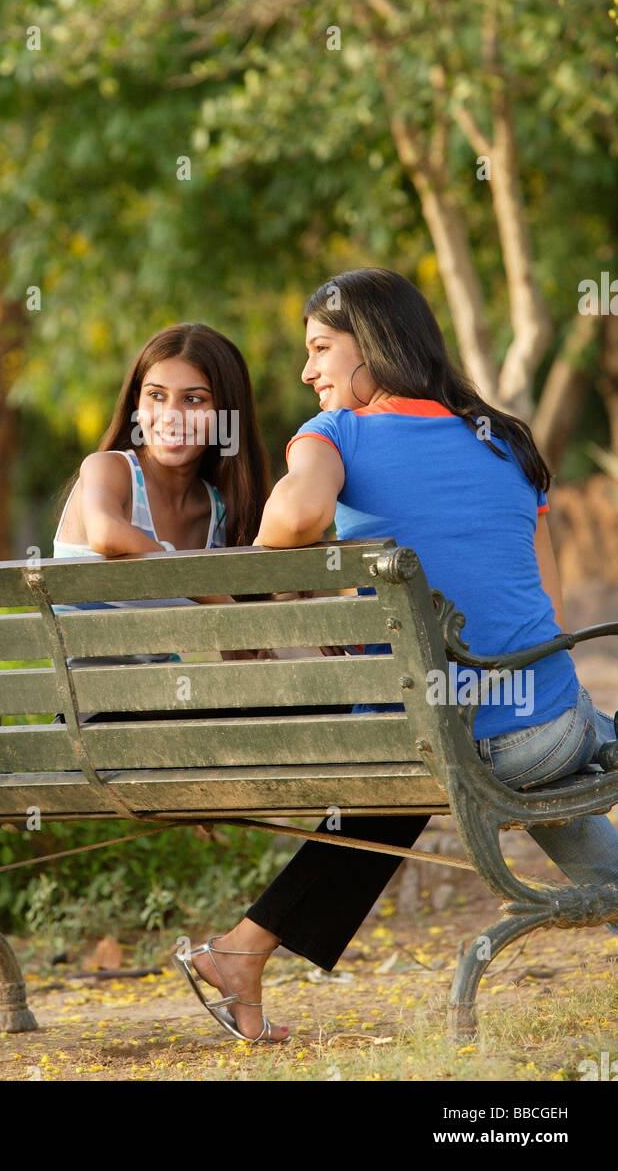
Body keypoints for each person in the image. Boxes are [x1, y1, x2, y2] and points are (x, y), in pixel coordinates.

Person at [173, 267, 618, 1044]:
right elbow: (534, 607)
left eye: (320, 349)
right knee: (576, 742)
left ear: (370, 353)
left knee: (462, 748)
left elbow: (302, 510)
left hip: (423, 744)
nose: (308, 371)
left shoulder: (336, 435)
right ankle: (243, 952)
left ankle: (244, 950)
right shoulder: (507, 437)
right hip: (535, 734)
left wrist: (256, 560)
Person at [51, 323, 270, 682]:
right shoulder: (109, 470)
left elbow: (242, 649)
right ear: (137, 402)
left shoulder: (218, 509)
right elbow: (107, 535)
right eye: (156, 395)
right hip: (93, 717)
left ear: (226, 412)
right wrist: (216, 598)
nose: (171, 414)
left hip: (168, 709)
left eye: (193, 399)